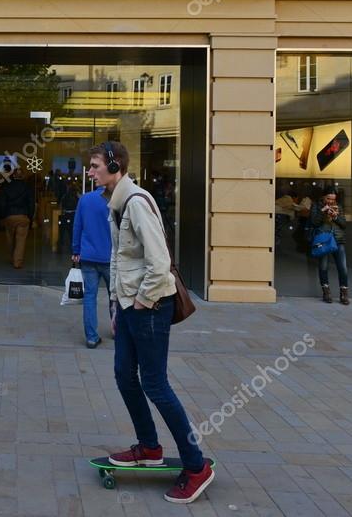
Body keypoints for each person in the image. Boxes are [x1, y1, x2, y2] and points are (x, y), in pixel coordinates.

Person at [94, 141, 213, 504]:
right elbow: (120, 260)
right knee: (124, 376)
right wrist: (116, 305)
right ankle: (149, 447)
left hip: (149, 306)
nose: (91, 171)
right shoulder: (115, 204)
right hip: (130, 306)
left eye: (96, 165)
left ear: (115, 167)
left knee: (155, 384)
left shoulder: (136, 203)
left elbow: (158, 262)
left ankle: (196, 467)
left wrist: (141, 301)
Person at [71, 177, 111, 349]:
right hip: (111, 257)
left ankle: (92, 337)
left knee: (89, 297)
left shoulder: (85, 199)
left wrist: (76, 250)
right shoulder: (115, 199)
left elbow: (77, 226)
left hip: (88, 256)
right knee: (116, 298)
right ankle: (118, 331)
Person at [310, 185, 349, 305]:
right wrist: (323, 213)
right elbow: (314, 222)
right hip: (324, 240)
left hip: (338, 240)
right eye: (328, 198)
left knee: (343, 268)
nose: (331, 201)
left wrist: (335, 216)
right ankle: (326, 292)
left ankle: (344, 294)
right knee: (323, 267)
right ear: (323, 197)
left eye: (333, 199)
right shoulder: (316, 206)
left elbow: (344, 224)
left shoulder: (339, 207)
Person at [0, 167, 34, 269]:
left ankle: (11, 257)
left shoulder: (6, 186)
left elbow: (1, 203)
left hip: (9, 216)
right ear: (23, 176)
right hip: (23, 216)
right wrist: (30, 217)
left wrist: (3, 216)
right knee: (20, 240)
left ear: (13, 175)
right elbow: (31, 204)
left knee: (10, 239)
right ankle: (17, 262)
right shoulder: (28, 187)